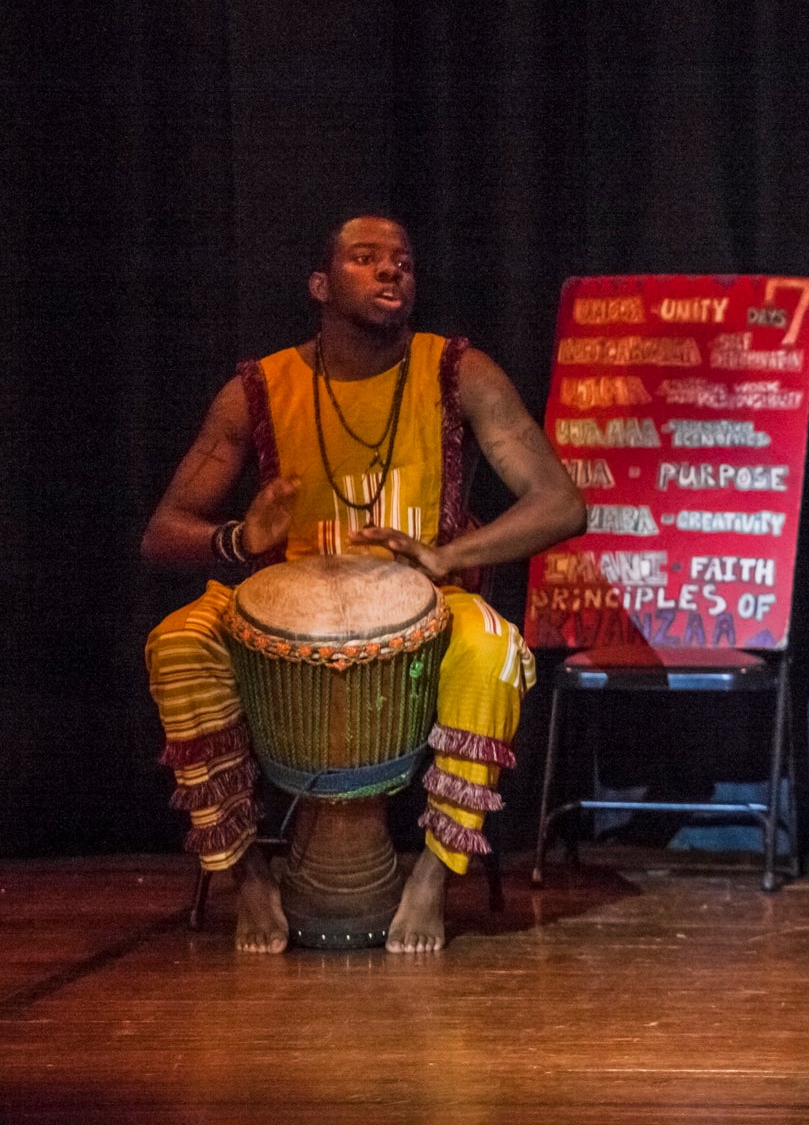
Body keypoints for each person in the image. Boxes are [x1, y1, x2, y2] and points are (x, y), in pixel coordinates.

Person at [142, 215, 585, 954]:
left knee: (495, 654)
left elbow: (560, 502)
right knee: (178, 643)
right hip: (274, 622)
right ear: (321, 285)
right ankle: (246, 876)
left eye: (403, 262)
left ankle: (433, 880)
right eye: (365, 259)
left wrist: (450, 557)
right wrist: (240, 539)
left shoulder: (457, 370)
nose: (391, 272)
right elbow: (163, 532)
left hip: (430, 607)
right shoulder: (259, 387)